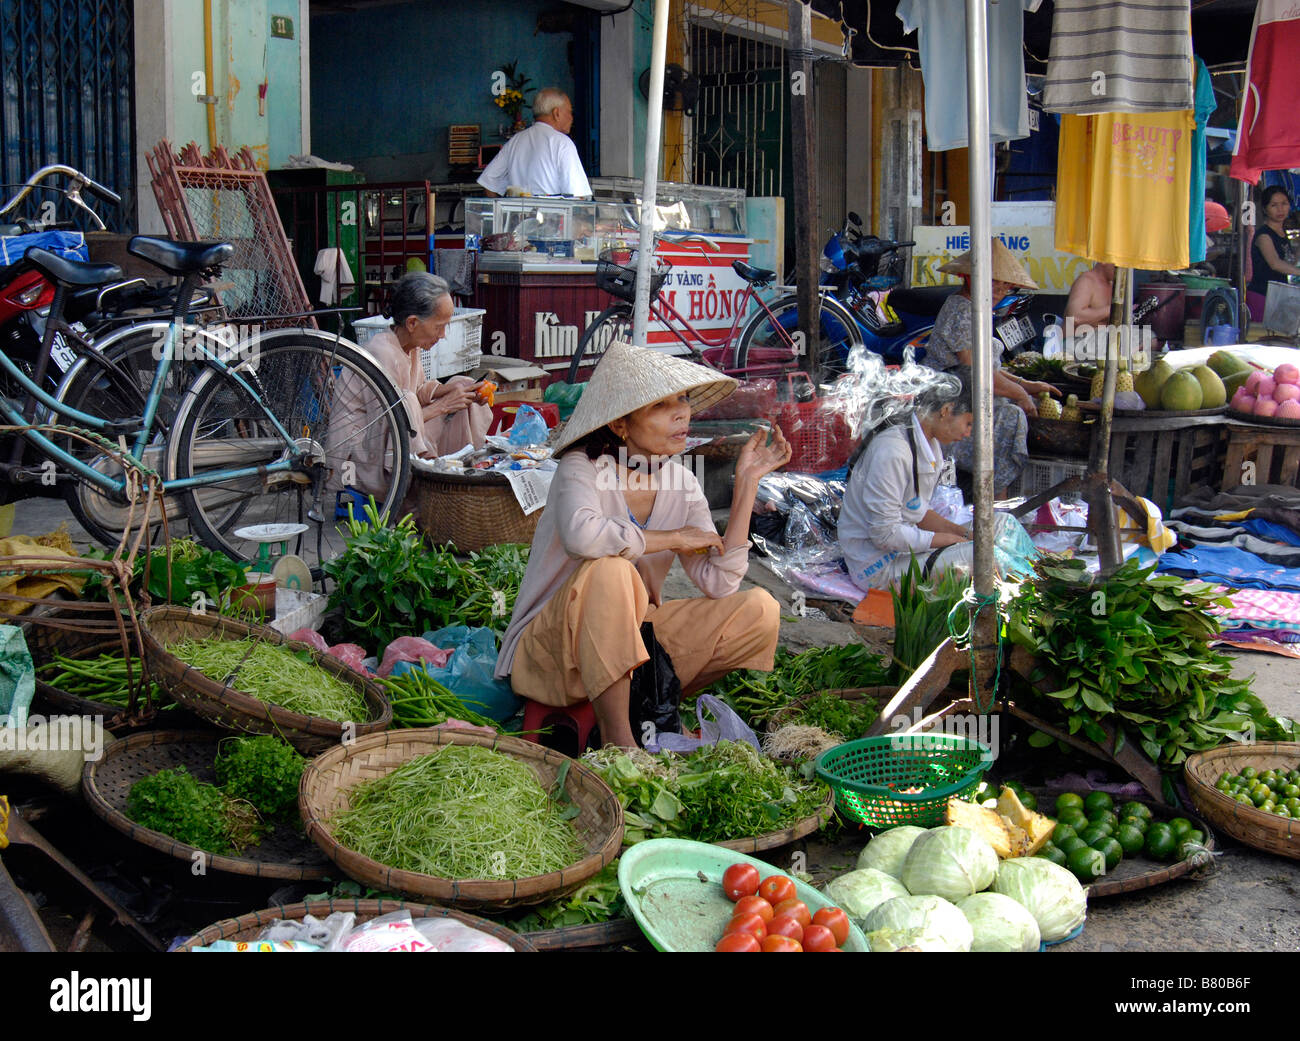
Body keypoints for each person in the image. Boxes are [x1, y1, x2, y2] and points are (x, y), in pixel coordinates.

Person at [495, 340, 789, 748]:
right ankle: (622, 743)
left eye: (683, 400)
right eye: (660, 406)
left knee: (760, 611)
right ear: (620, 424)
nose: (682, 412)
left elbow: (719, 583)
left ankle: (652, 701)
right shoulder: (581, 467)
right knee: (612, 569)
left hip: (636, 645)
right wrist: (672, 539)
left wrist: (747, 484)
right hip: (555, 648)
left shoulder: (681, 482)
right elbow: (585, 536)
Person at [839, 368, 1033, 591]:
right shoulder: (892, 452)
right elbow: (885, 535)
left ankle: (1039, 576)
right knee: (985, 557)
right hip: (879, 569)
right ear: (946, 410)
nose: (968, 433)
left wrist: (964, 533)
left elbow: (917, 512)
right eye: (968, 423)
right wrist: (950, 541)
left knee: (1003, 525)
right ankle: (1030, 590)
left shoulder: (928, 444)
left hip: (905, 550)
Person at [332, 273, 491, 498]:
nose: (443, 335)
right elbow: (393, 423)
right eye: (439, 327)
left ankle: (459, 477)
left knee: (461, 382)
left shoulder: (409, 346)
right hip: (361, 458)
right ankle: (422, 493)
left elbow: (420, 390)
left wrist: (455, 391)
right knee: (407, 401)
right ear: (413, 323)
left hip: (389, 436)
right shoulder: (382, 352)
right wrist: (443, 405)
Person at [925, 240, 1055, 497]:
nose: (1000, 289)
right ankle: (994, 502)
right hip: (949, 398)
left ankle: (995, 504)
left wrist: (1028, 385)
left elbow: (989, 367)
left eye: (1005, 284)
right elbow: (977, 372)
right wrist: (1020, 394)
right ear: (969, 277)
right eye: (993, 281)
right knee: (1012, 416)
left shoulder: (979, 310)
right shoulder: (962, 310)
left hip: (967, 391)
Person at [477, 87, 592, 199]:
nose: (572, 118)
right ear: (556, 113)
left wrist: (501, 212)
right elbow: (578, 196)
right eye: (570, 112)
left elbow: (488, 182)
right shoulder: (562, 143)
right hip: (551, 217)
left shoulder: (516, 140)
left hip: (519, 217)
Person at [1247, 185, 1300, 323]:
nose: (1280, 209)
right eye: (1274, 205)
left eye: (1284, 204)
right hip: (1262, 296)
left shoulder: (1282, 234)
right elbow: (1275, 264)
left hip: (1278, 296)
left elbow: (1289, 264)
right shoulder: (1264, 236)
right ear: (1265, 209)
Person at [1065, 261, 1116, 330]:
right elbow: (1074, 317)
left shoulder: (1113, 286)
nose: (1122, 269)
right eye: (1118, 264)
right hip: (1077, 338)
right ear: (1104, 260)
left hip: (1102, 338)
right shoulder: (1087, 280)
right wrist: (1111, 310)